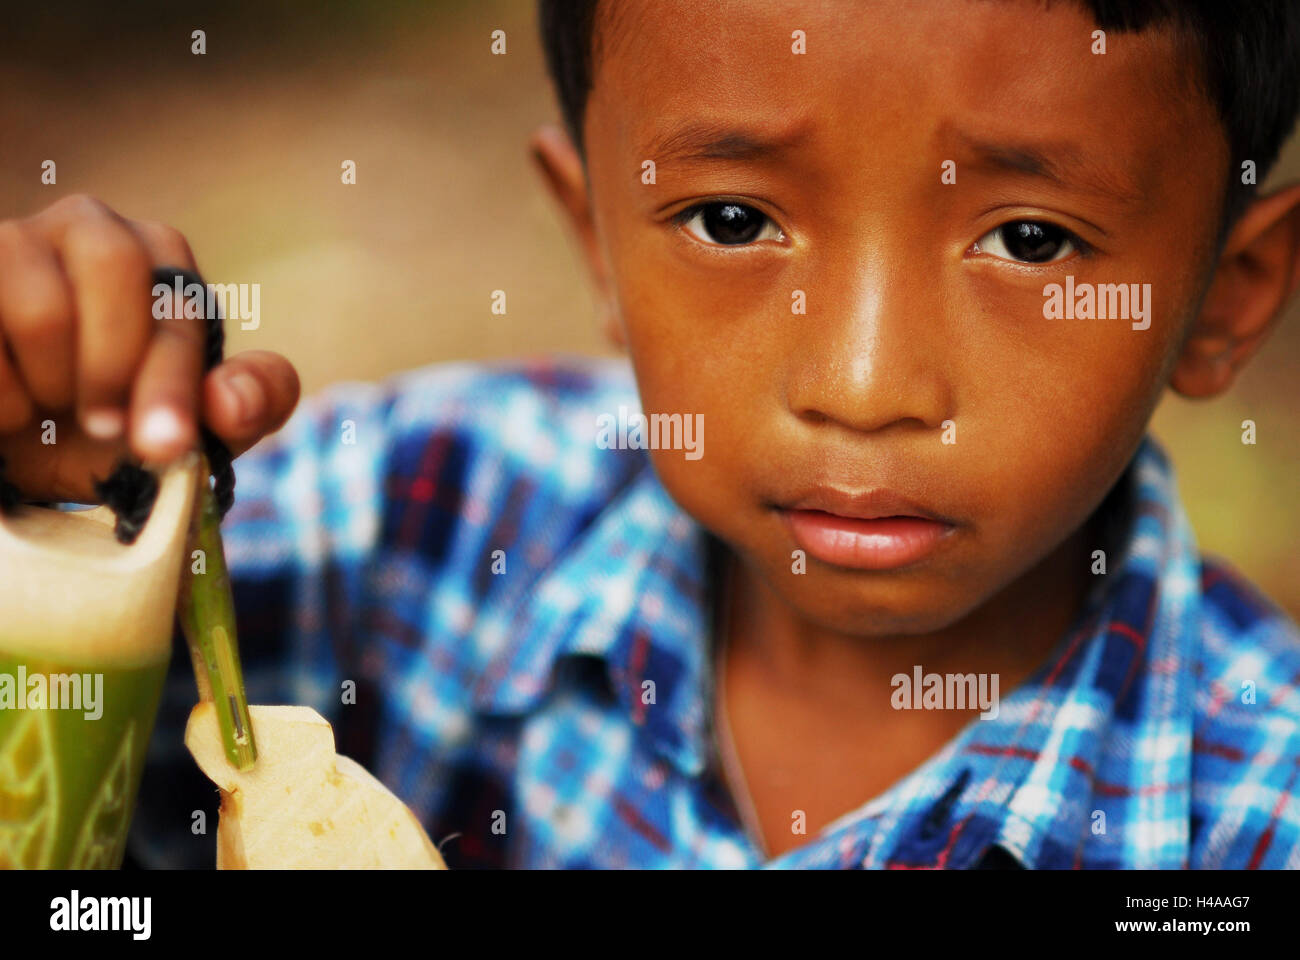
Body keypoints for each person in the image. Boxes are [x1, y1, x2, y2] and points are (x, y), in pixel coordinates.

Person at [1, 0, 1298, 868]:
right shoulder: (416, 524)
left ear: (1222, 297)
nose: (861, 385)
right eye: (732, 222)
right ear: (596, 242)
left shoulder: (1255, 820)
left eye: (1031, 240)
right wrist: (57, 521)